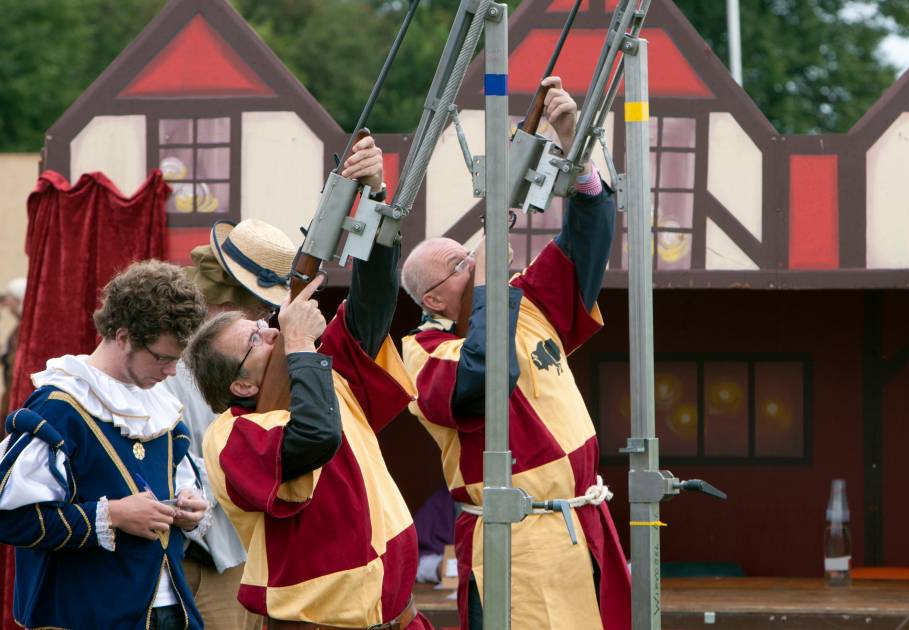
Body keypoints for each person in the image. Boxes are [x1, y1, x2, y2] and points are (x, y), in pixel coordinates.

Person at [399, 76, 631, 630]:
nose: (476, 262)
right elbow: (485, 374)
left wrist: (575, 147)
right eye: (460, 264)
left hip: (583, 523)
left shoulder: (519, 300)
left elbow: (586, 242)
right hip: (514, 540)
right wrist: (486, 290)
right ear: (432, 298)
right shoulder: (422, 352)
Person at [188, 137, 432, 629]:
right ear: (238, 386)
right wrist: (299, 350)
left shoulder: (316, 370)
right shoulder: (231, 436)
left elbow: (371, 305)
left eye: (265, 323)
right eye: (256, 338)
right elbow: (316, 435)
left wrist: (374, 199)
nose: (273, 330)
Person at [0, 260, 211, 629]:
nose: (171, 372)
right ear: (123, 336)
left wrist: (190, 508)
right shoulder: (59, 408)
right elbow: (10, 519)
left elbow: (183, 484)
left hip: (169, 607)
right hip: (85, 612)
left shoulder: (161, 410)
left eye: (177, 359)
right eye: (162, 357)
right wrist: (113, 515)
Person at [161, 217, 300, 630]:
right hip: (193, 557)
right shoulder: (166, 359)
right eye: (260, 309)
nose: (264, 323)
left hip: (242, 552)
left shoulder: (254, 354)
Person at [1, 277, 25, 417]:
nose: (7, 304)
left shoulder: (24, 329)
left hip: (16, 389)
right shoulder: (18, 328)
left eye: (9, 298)